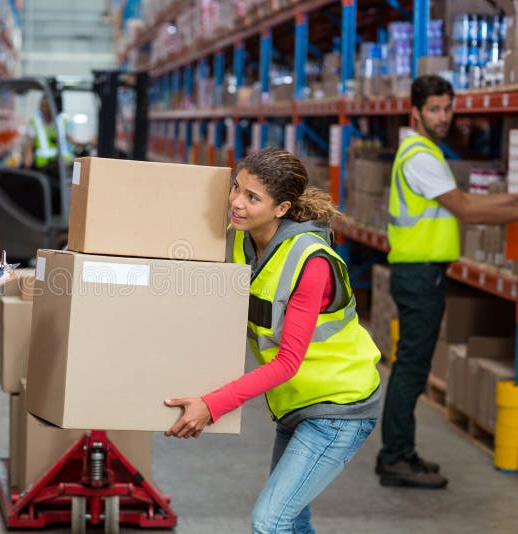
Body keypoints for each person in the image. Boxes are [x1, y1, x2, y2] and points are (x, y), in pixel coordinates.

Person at [164, 148, 381, 533]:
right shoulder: (239, 241)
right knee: (292, 522)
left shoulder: (310, 261)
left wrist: (212, 405)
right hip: (295, 404)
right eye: (236, 187)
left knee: (271, 522)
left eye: (252, 197)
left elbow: (287, 363)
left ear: (281, 208)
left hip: (338, 407)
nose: (236, 202)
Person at [377, 74, 518, 488]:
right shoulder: (420, 156)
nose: (443, 117)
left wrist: (511, 199)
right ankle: (394, 457)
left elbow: (469, 200)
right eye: (434, 109)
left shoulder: (427, 151)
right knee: (411, 368)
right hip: (418, 274)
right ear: (415, 112)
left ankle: (401, 452)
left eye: (448, 108)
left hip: (423, 273)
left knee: (412, 367)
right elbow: (467, 210)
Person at [22, 95, 74, 173]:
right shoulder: (35, 121)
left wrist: (83, 143)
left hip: (62, 161)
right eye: (41, 105)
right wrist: (27, 159)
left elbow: (70, 139)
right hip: (43, 165)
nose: (42, 108)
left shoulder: (62, 120)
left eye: (45, 105)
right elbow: (29, 143)